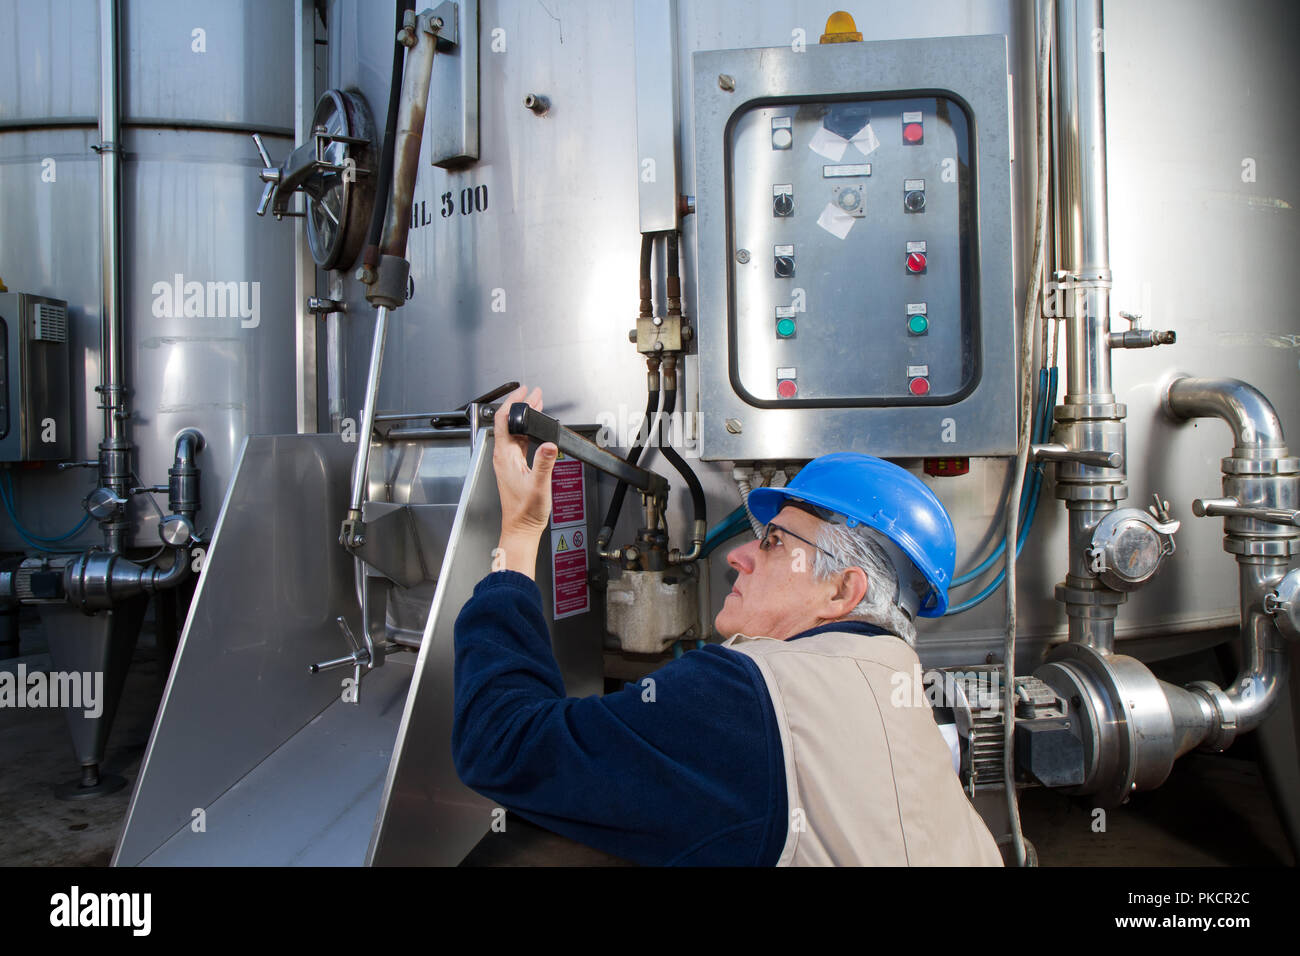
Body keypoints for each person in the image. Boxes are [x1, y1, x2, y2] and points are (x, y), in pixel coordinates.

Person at [452, 384, 1003, 866]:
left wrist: (521, 538)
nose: (740, 556)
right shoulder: (902, 697)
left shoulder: (753, 694)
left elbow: (502, 744)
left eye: (775, 542)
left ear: (843, 590)